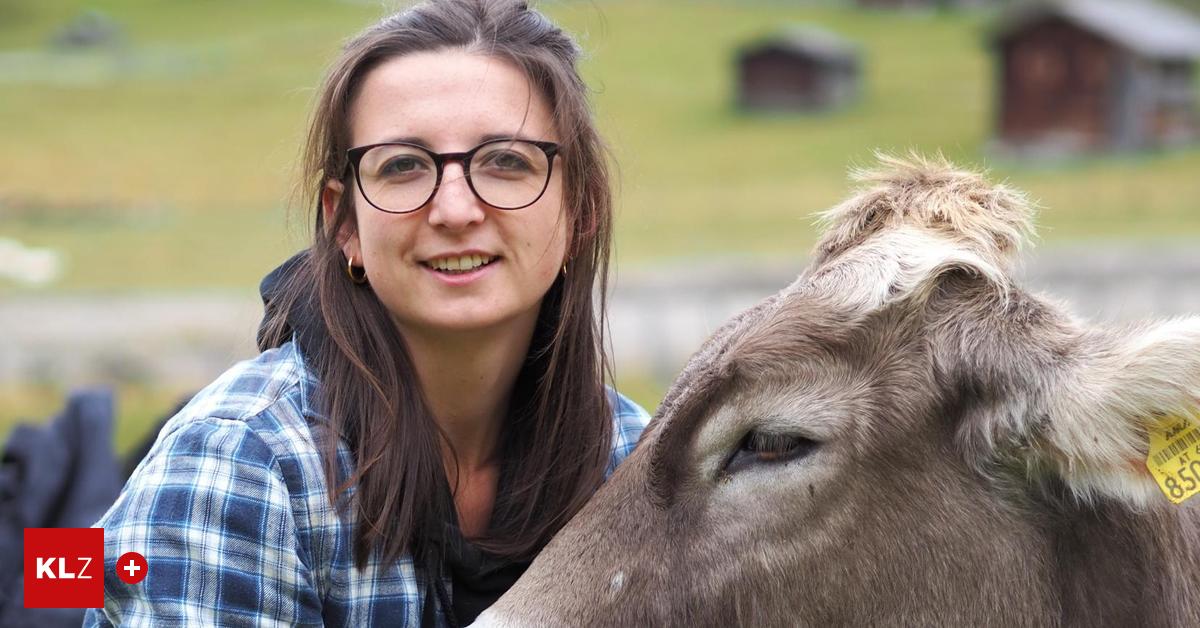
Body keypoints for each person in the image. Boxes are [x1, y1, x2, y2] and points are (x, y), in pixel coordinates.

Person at [84, 0, 649, 625]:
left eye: (507, 161)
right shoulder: (241, 466)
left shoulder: (637, 465)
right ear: (344, 223)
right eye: (403, 166)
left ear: (582, 211)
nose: (455, 210)